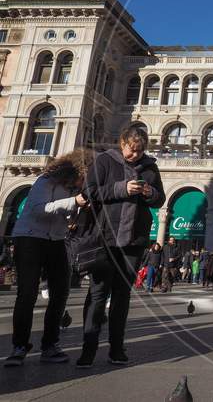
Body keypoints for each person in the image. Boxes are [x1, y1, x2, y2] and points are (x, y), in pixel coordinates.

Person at [80, 125, 164, 368]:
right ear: (122, 143)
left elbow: (160, 199)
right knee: (97, 295)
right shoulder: (105, 161)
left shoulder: (150, 167)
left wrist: (149, 192)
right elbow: (88, 192)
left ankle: (117, 348)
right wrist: (121, 188)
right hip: (104, 238)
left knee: (122, 296)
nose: (135, 155)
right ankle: (88, 349)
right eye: (131, 150)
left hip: (132, 240)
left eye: (139, 151)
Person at [5, 149, 93, 367]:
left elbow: (65, 215)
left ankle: (50, 345)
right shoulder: (46, 181)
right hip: (29, 238)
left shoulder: (73, 188)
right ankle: (19, 346)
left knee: (61, 292)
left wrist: (77, 212)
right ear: (77, 170)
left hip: (56, 240)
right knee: (27, 293)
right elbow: (37, 209)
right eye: (85, 175)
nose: (85, 181)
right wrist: (73, 202)